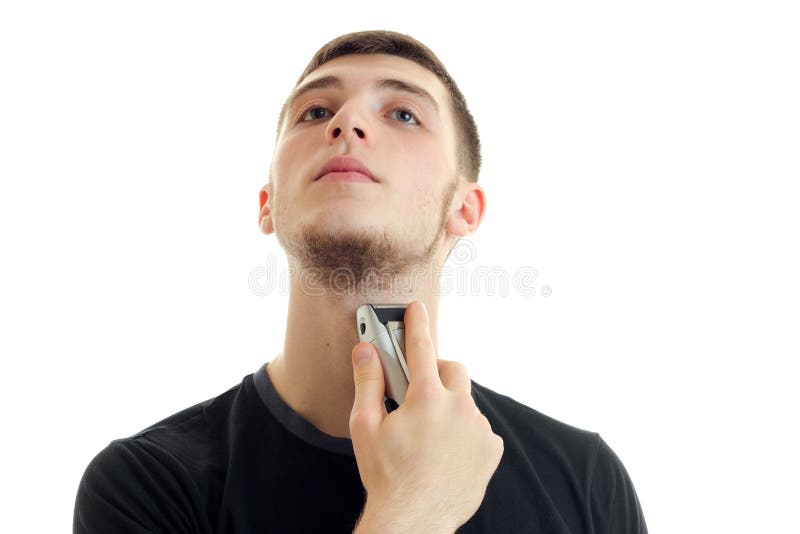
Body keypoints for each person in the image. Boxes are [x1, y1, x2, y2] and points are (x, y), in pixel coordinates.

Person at [73, 30, 648, 533]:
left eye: (403, 114)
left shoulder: (584, 481)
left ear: (465, 209)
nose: (347, 122)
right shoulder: (144, 486)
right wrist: (412, 512)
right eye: (316, 112)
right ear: (268, 204)